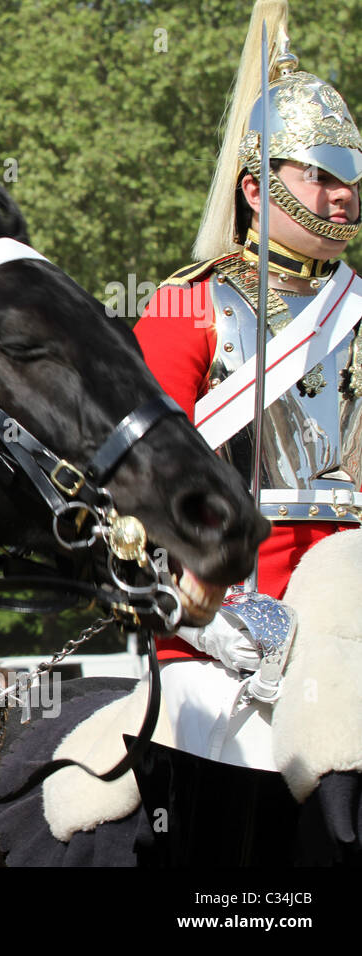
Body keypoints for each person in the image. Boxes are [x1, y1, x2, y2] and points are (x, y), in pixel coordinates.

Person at [133, 0, 362, 768]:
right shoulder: (186, 304)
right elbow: (141, 481)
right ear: (258, 188)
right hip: (227, 603)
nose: (342, 194)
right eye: (320, 174)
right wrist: (204, 607)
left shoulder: (356, 309)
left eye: (351, 175)